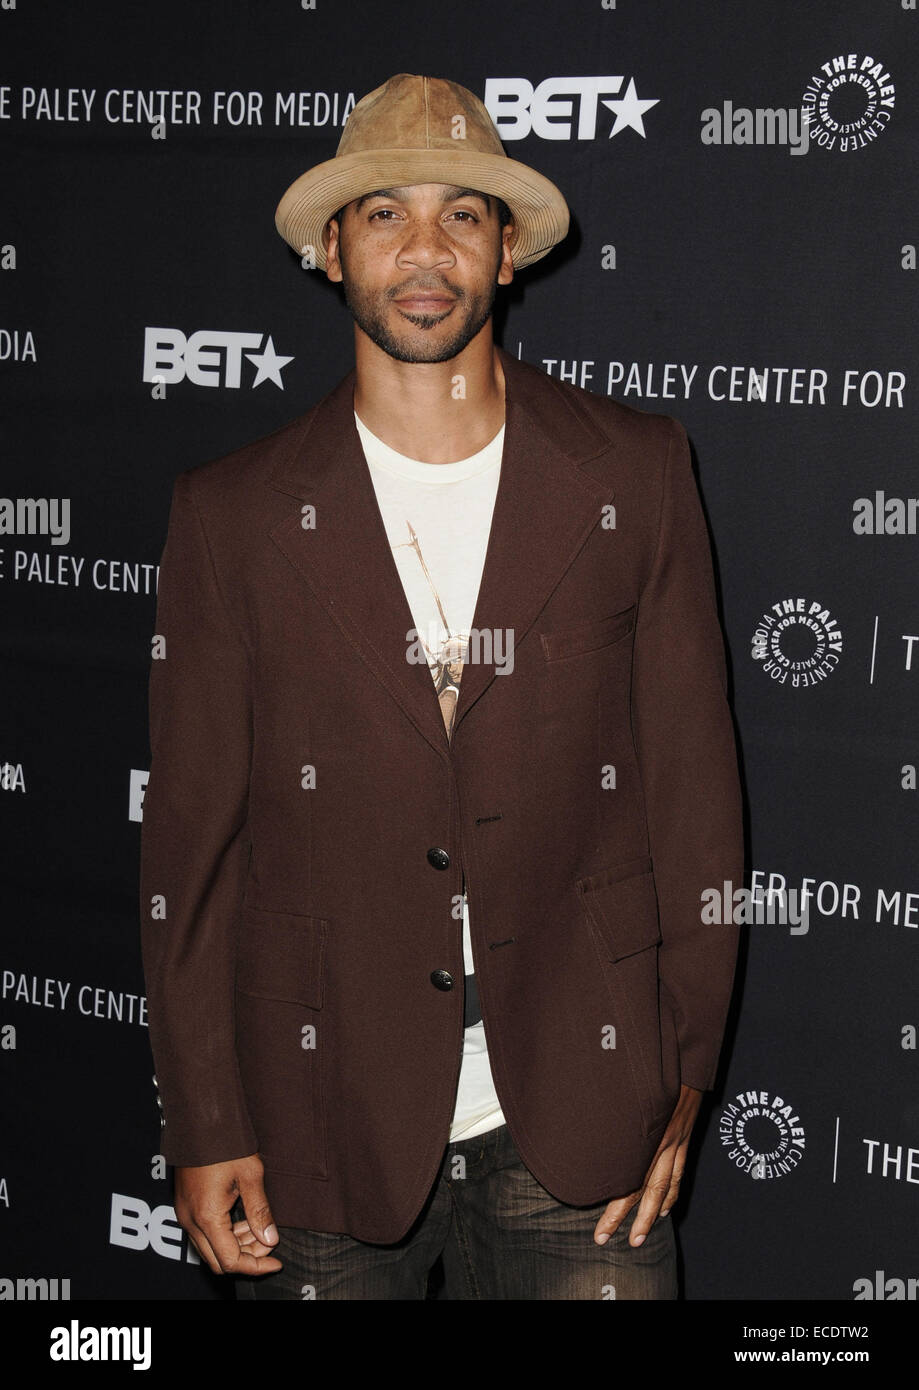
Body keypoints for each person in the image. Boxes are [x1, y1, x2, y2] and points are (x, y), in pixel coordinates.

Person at [140, 72, 744, 1301]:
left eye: (462, 214)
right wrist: (204, 1117)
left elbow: (693, 795)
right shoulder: (232, 516)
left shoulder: (635, 470)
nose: (425, 249)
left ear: (508, 249)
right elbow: (191, 851)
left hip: (586, 1106)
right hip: (318, 1115)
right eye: (383, 214)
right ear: (329, 249)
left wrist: (684, 1079)